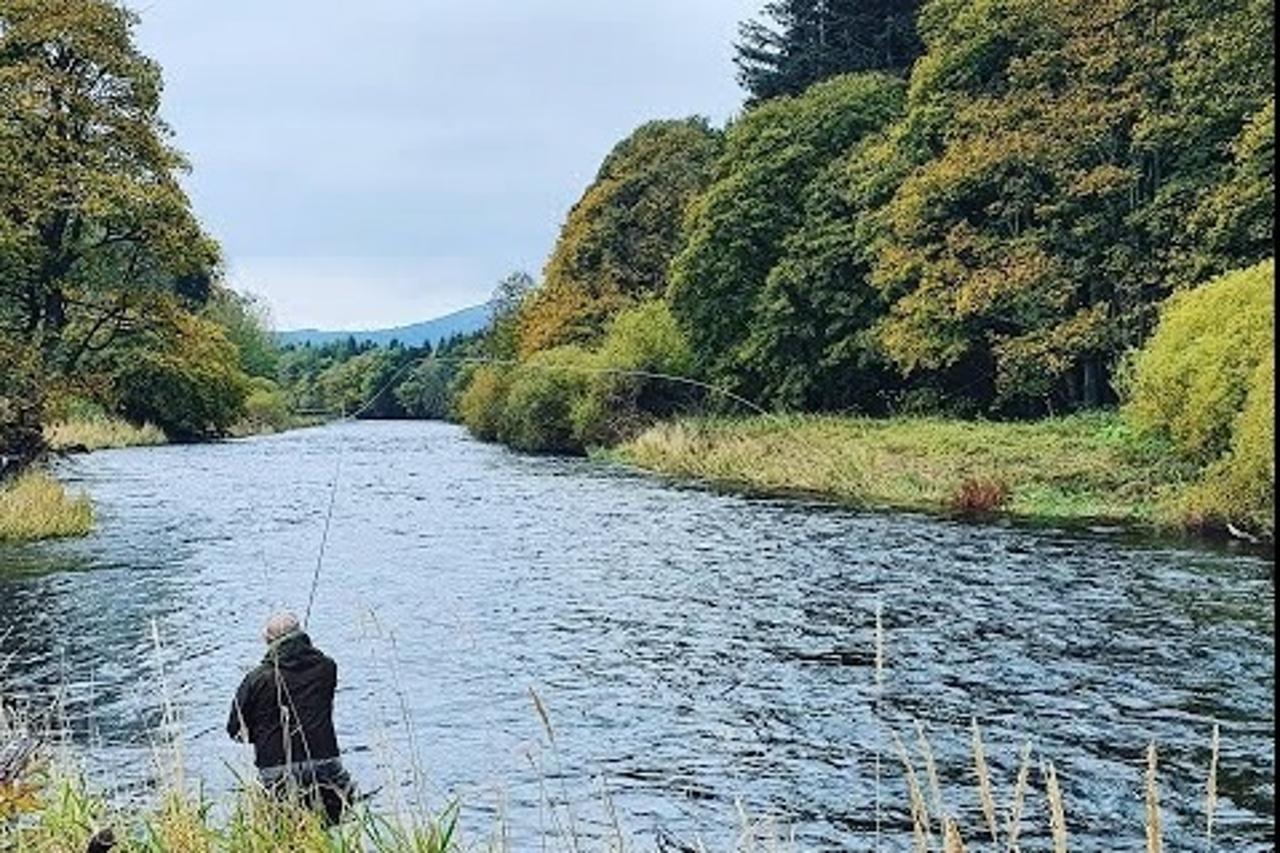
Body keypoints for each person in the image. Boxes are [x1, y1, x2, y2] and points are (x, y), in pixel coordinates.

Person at [227, 612, 354, 824]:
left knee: (282, 832)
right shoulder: (327, 668)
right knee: (330, 827)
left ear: (268, 641)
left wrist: (260, 737)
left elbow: (235, 729)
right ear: (302, 634)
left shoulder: (257, 679)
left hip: (275, 769)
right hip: (325, 763)